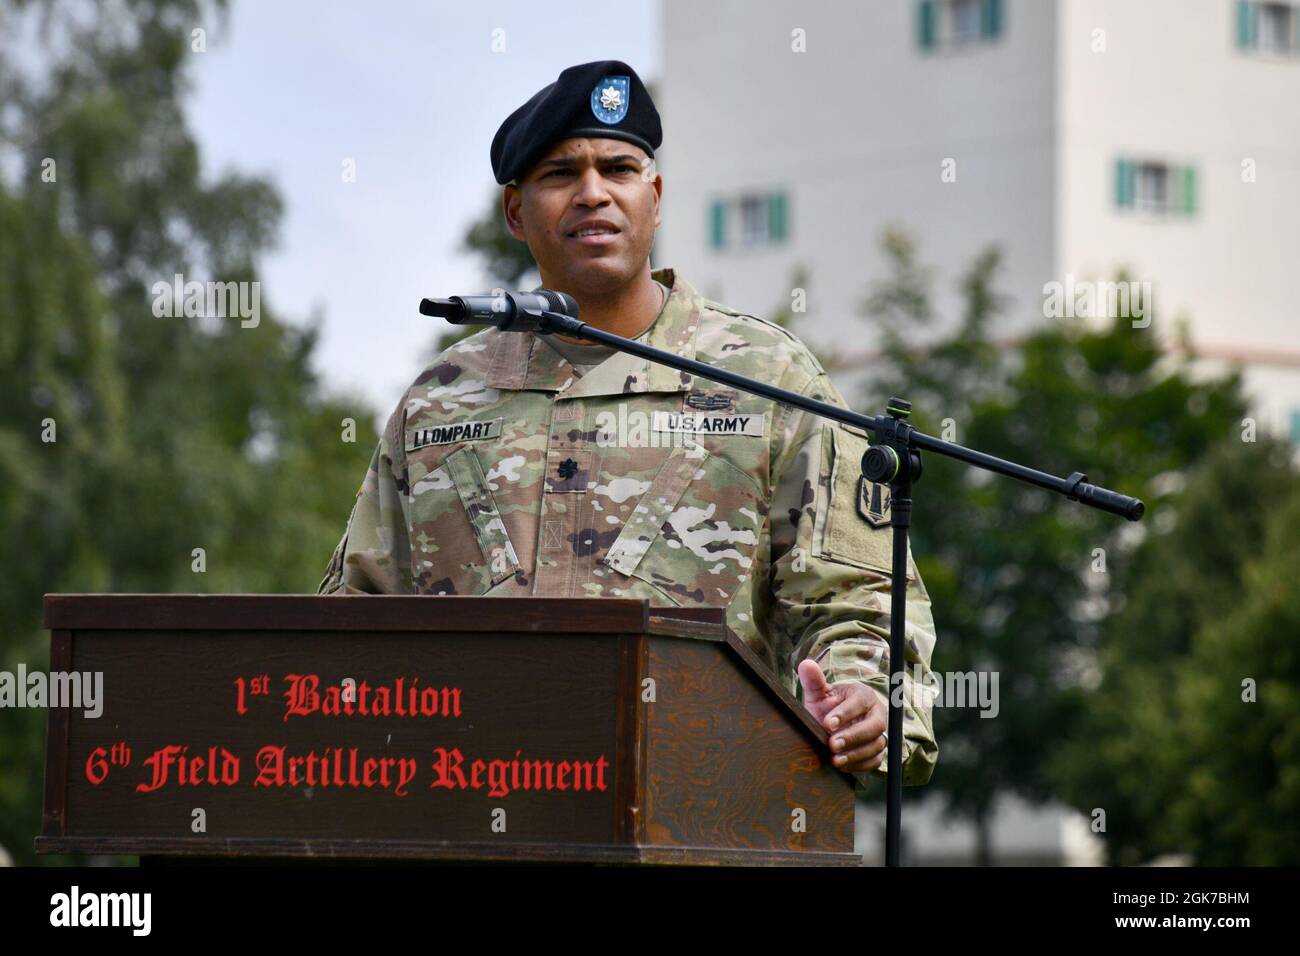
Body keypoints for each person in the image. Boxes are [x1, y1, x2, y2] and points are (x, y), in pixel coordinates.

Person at [318, 60, 938, 785]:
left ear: (656, 196)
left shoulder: (767, 379)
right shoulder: (441, 400)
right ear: (517, 214)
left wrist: (863, 698)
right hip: (479, 813)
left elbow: (854, 600)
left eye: (618, 168)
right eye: (559, 174)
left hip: (708, 811)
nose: (592, 193)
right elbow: (351, 626)